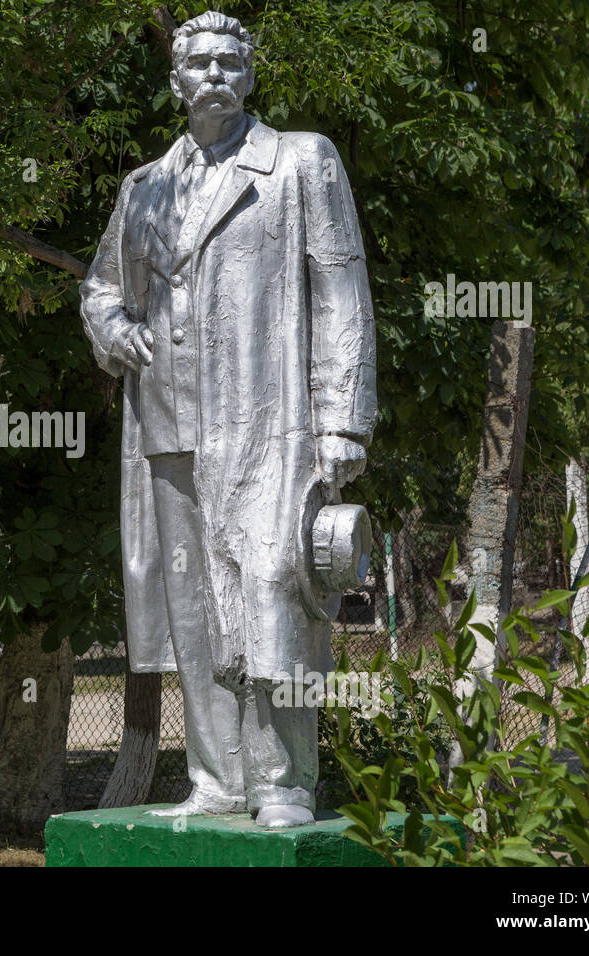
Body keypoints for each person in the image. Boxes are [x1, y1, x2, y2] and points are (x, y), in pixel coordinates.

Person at [79, 11, 376, 827]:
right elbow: (102, 289)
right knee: (191, 610)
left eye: (228, 62)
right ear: (175, 82)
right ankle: (216, 778)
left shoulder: (299, 164)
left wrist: (343, 418)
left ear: (249, 77)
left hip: (268, 422)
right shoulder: (143, 187)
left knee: (275, 594)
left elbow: (342, 288)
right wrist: (115, 330)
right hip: (170, 425)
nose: (213, 73)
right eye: (198, 63)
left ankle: (283, 781)